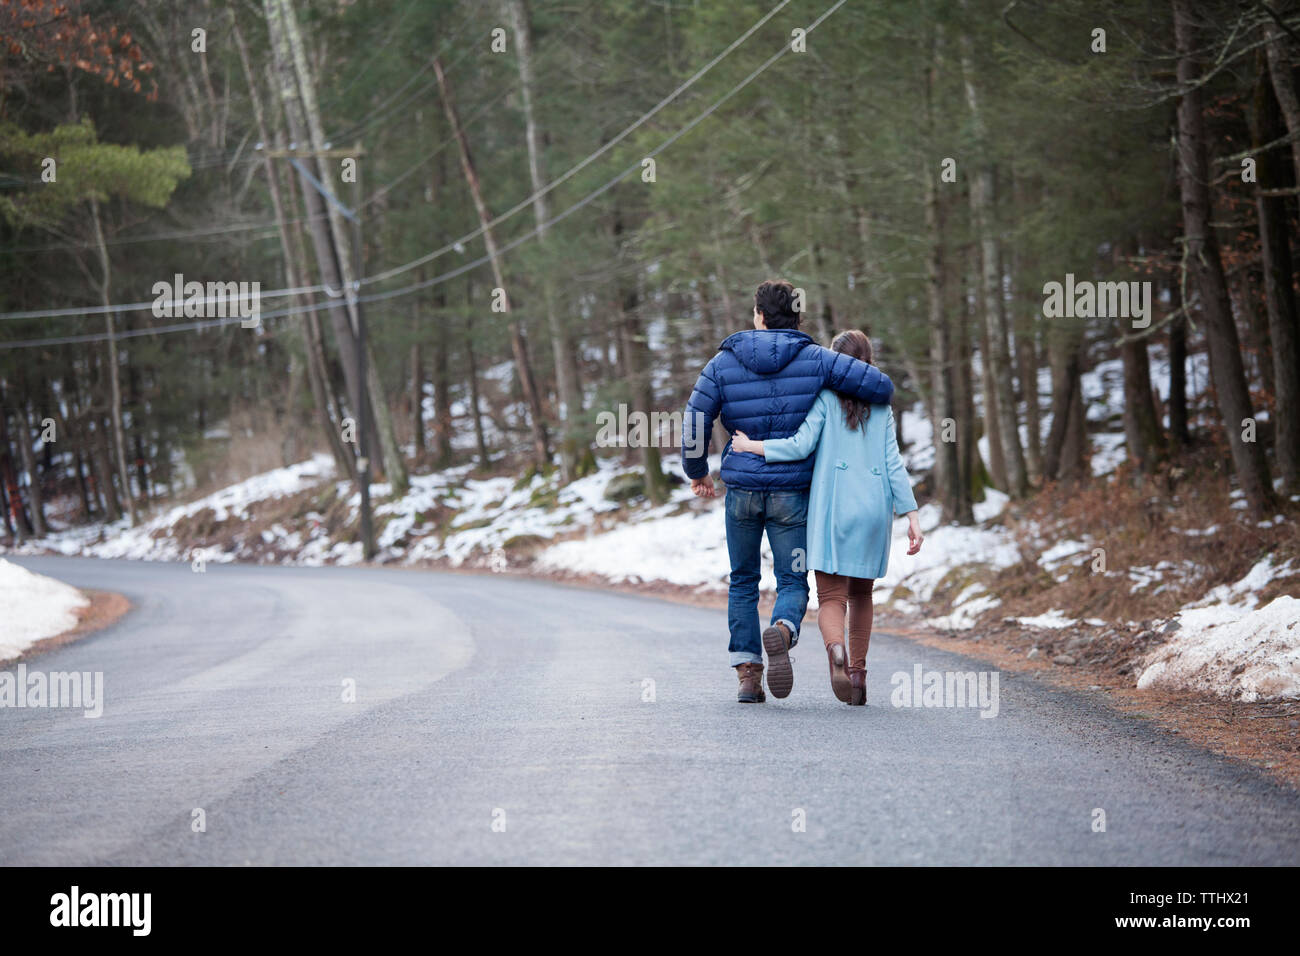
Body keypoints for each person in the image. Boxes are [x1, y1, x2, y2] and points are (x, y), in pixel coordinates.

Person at [681, 281, 895, 704]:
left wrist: (698, 471)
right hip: (791, 495)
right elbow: (882, 387)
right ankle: (783, 630)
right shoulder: (817, 359)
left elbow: (694, 420)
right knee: (792, 579)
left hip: (741, 489)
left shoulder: (722, 364)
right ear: (797, 318)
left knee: (742, 580)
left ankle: (747, 674)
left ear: (759, 316)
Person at [730, 329, 922, 705]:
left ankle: (836, 649)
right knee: (863, 593)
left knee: (833, 596)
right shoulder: (883, 407)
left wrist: (751, 445)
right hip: (874, 509)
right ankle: (858, 676)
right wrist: (911, 513)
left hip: (834, 509)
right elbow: (893, 463)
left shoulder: (826, 399)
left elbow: (799, 445)